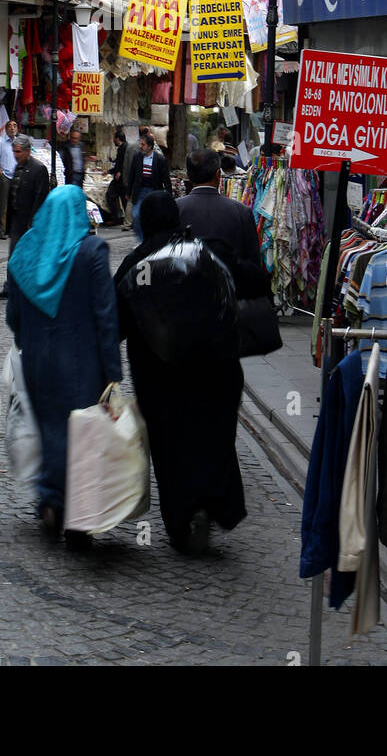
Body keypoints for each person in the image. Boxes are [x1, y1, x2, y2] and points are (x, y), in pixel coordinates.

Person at [114, 191, 245, 555]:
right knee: (211, 438)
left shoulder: (137, 262)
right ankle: (212, 502)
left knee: (169, 449)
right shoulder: (205, 252)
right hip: (214, 370)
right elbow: (235, 299)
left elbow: (118, 321)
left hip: (159, 377)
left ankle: (180, 520)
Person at [6, 185, 122, 546]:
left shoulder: (26, 249)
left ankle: (51, 500)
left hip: (38, 361)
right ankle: (78, 516)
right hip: (83, 364)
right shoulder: (90, 252)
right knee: (83, 437)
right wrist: (113, 374)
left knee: (51, 432)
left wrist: (29, 343)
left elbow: (13, 316)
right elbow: (106, 315)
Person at [176, 148, 261, 268]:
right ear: (218, 175)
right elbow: (253, 262)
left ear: (188, 176)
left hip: (187, 281)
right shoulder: (242, 212)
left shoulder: (175, 208)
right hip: (231, 282)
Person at [6, 135, 50, 253]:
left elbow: (40, 198)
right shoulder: (18, 167)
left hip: (29, 220)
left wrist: (33, 222)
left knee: (28, 254)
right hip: (16, 218)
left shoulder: (39, 169)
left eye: (18, 151)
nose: (15, 155)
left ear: (27, 151)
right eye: (14, 151)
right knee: (14, 254)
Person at [128, 131, 172, 239]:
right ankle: (142, 239)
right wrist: (128, 192)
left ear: (150, 146)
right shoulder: (137, 157)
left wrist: (168, 194)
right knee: (136, 215)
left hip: (154, 191)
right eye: (140, 144)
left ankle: (152, 239)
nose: (140, 147)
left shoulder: (160, 159)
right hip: (140, 191)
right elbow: (131, 175)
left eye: (143, 145)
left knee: (152, 217)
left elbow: (165, 178)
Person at [0, 119, 17, 237]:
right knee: (1, 205)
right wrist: (0, 174)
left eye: (14, 126)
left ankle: (9, 230)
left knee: (13, 204)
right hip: (5, 176)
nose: (12, 128)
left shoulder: (17, 143)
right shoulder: (0, 142)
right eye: (9, 126)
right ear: (6, 129)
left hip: (15, 177)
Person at [104, 128, 128, 224]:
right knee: (121, 197)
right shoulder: (123, 148)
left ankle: (117, 218)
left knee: (111, 195)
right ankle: (122, 218)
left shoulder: (124, 148)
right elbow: (119, 162)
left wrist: (120, 171)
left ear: (117, 138)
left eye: (114, 138)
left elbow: (125, 162)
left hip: (121, 179)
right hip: (120, 178)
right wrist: (110, 171)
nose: (113, 140)